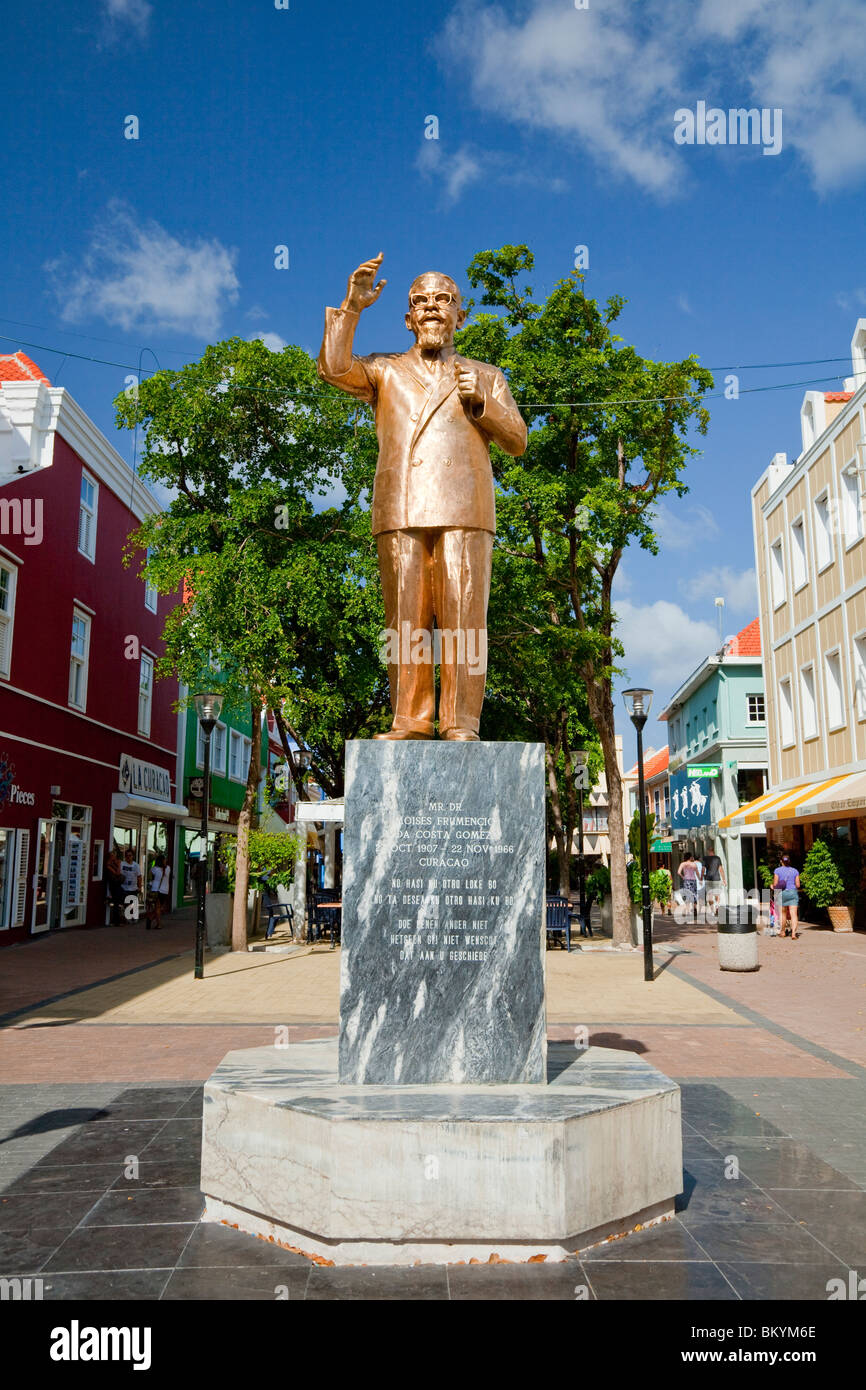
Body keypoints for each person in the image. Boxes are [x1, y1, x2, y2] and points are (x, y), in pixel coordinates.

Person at [318, 253, 527, 741]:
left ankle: (461, 723)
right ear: (408, 317)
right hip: (402, 505)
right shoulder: (384, 369)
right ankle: (409, 719)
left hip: (467, 508)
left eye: (444, 300)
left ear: (461, 314)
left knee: (463, 620)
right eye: (422, 301)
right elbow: (333, 368)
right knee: (406, 620)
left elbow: (517, 440)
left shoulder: (486, 374)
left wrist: (484, 403)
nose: (433, 307)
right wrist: (353, 306)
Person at [773, 854, 801, 938]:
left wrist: (772, 886)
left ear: (781, 861)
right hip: (792, 893)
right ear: (789, 861)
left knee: (783, 914)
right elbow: (798, 885)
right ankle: (793, 934)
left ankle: (782, 932)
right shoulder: (795, 871)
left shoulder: (777, 870)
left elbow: (775, 884)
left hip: (782, 893)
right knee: (794, 914)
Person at [146, 855, 170, 930]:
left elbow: (150, 876)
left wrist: (150, 883)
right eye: (165, 859)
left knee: (159, 908)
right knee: (159, 907)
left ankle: (150, 918)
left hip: (156, 889)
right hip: (164, 890)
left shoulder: (154, 869)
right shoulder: (168, 868)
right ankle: (158, 924)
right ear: (162, 861)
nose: (166, 860)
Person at [105, 846, 125, 925]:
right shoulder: (109, 864)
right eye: (114, 855)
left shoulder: (113, 863)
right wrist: (119, 865)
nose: (115, 857)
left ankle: (118, 919)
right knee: (116, 903)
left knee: (119, 901)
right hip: (113, 885)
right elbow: (118, 873)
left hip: (117, 885)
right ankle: (116, 921)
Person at [678, 852, 699, 920]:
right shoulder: (694, 864)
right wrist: (700, 879)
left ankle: (687, 910)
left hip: (686, 880)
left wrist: (683, 876)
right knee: (694, 894)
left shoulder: (683, 864)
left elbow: (678, 872)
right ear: (690, 857)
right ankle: (695, 908)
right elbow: (697, 873)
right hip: (693, 880)